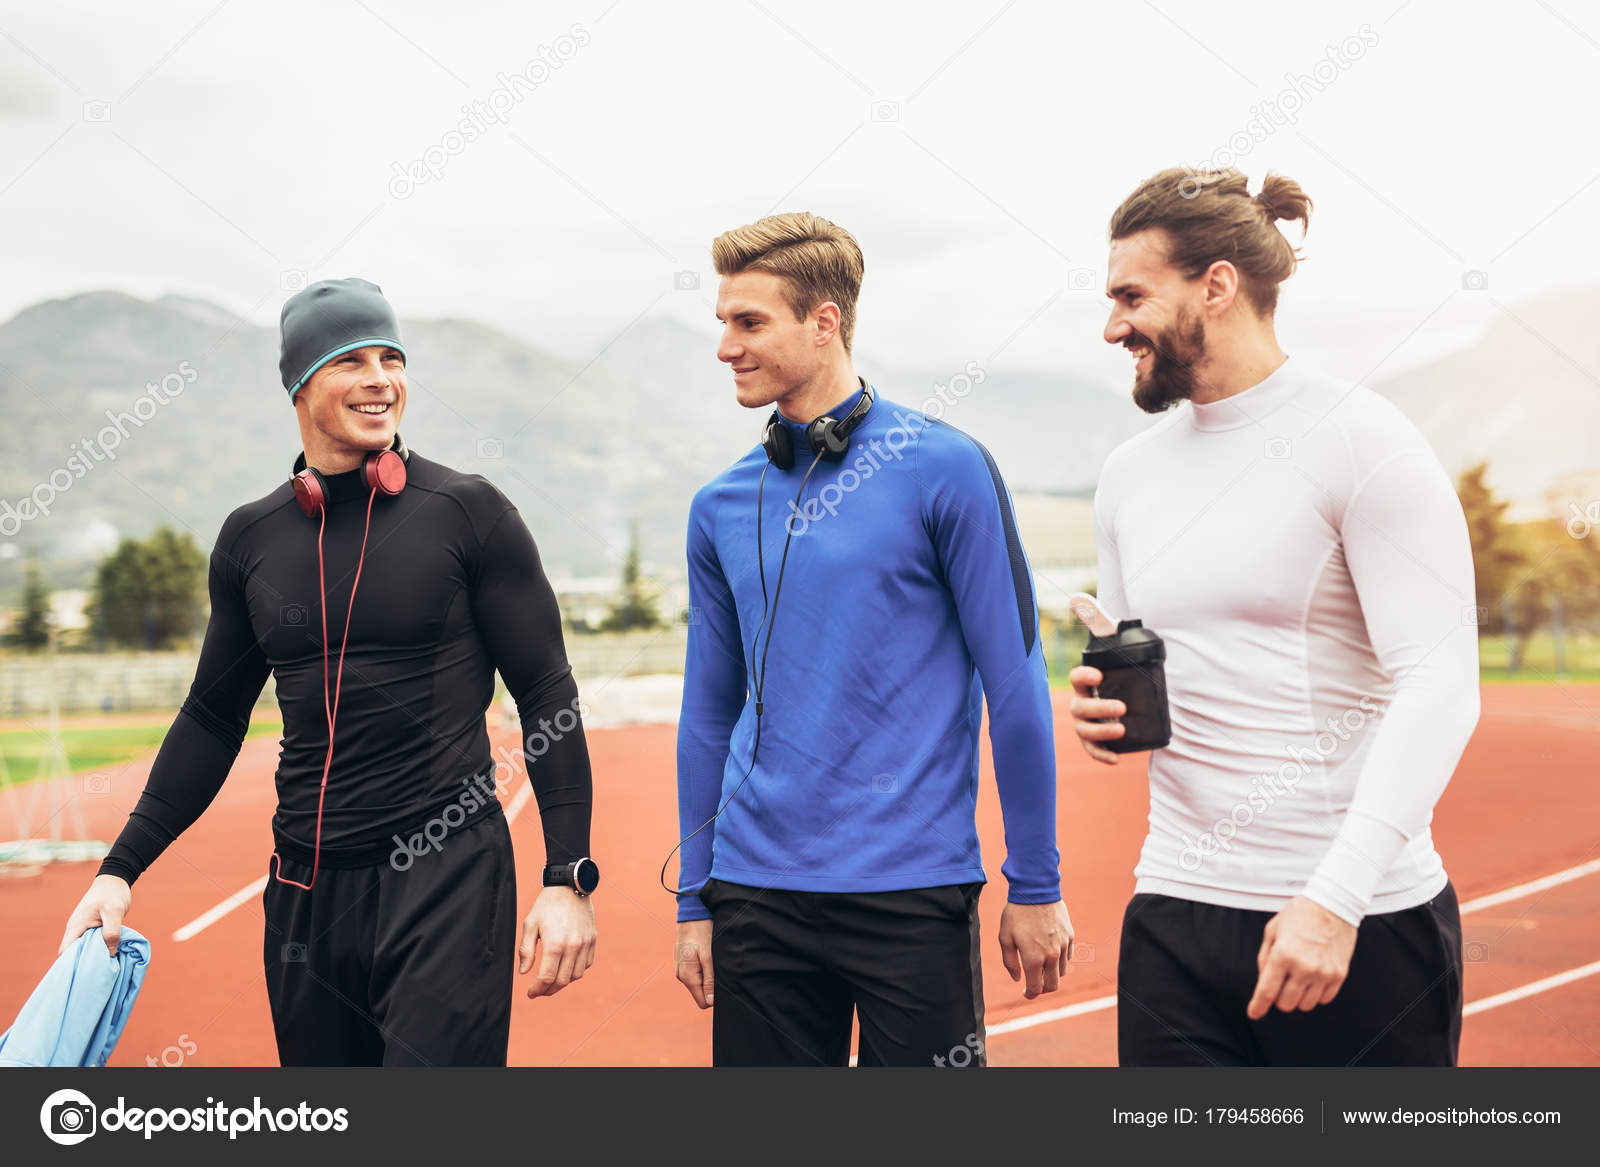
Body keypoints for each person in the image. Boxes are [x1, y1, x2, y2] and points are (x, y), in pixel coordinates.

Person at [58, 277, 600, 1066]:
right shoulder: (251, 539)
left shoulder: (470, 513)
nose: (382, 378)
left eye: (393, 357)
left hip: (446, 875)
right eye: (353, 359)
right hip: (305, 897)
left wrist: (567, 876)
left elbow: (548, 691)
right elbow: (212, 718)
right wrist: (120, 868)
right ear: (299, 382)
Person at [1073, 168, 1480, 1066]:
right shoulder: (1129, 475)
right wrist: (1104, 712)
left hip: (1356, 921)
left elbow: (1442, 683)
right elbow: (1151, 667)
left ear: (1216, 287)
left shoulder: (1364, 441)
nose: (1112, 326)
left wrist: (1333, 900)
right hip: (1175, 912)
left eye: (1131, 296)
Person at [671, 212, 1073, 1067]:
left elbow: (1016, 681)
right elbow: (708, 712)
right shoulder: (717, 504)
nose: (725, 347)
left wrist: (1034, 881)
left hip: (910, 891)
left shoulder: (945, 468)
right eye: (722, 323)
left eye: (749, 322)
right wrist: (695, 901)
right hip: (755, 894)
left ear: (825, 323)